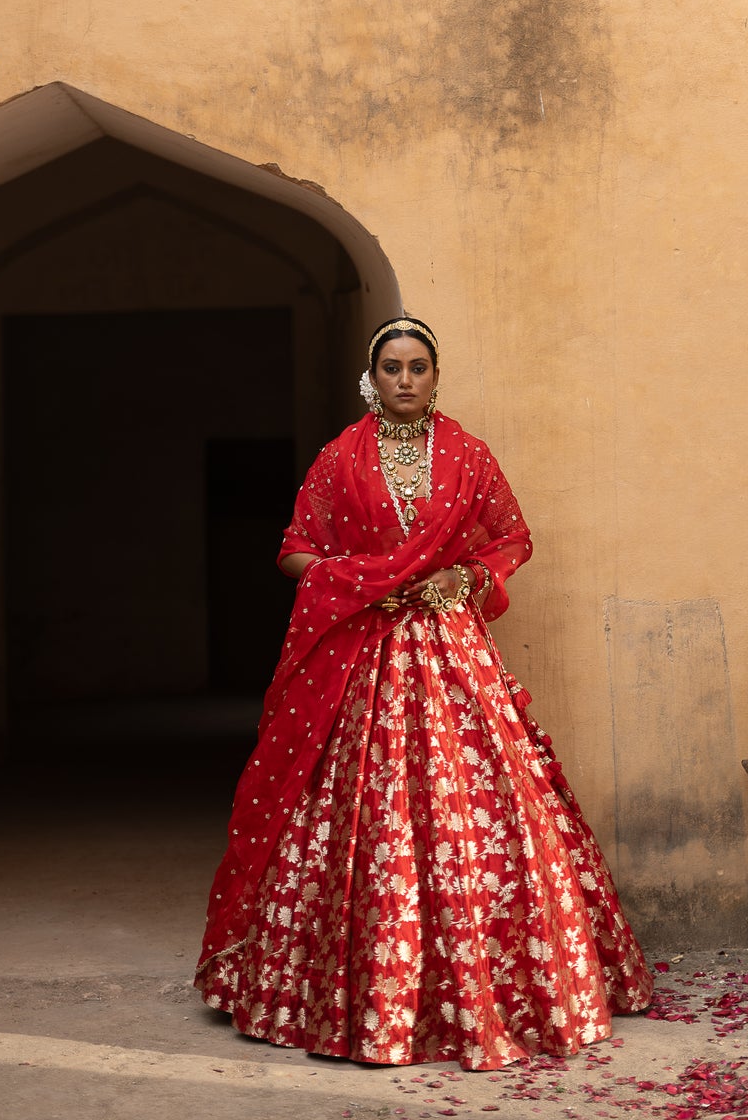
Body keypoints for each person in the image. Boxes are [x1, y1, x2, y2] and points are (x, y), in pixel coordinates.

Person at [195, 316, 653, 1070]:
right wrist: (362, 581)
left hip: (451, 652)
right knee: (364, 813)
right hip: (363, 661)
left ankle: (500, 992)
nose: (405, 380)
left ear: (437, 376)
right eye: (392, 368)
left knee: (476, 808)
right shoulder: (340, 460)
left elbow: (513, 538)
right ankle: (353, 995)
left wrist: (466, 578)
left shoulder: (470, 458)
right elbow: (294, 550)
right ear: (370, 378)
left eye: (418, 368)